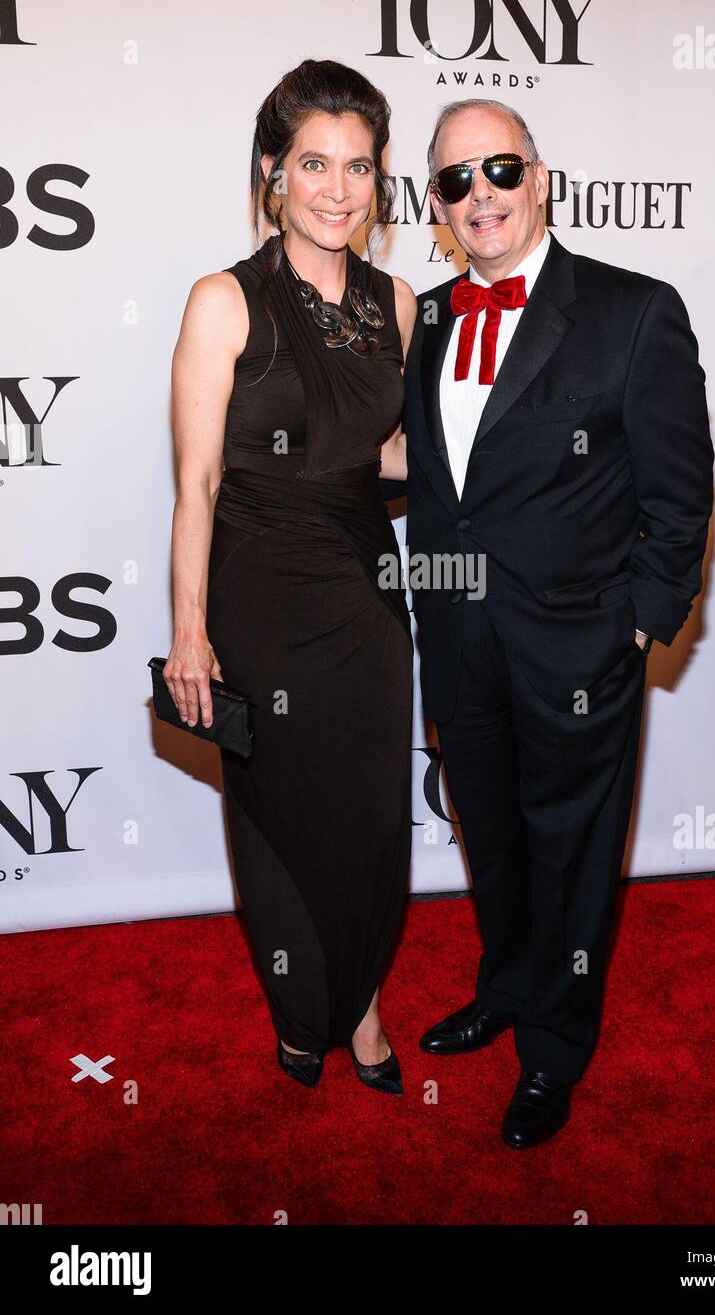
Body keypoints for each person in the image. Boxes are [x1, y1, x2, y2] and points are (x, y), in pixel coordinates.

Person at [404, 98, 714, 1147]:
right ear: (434, 202)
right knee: (488, 836)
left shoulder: (633, 310)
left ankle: (554, 1047)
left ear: (541, 179)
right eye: (454, 179)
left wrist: (638, 623)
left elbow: (678, 494)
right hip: (457, 639)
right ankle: (505, 985)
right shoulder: (431, 317)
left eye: (498, 169)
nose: (478, 194)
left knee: (570, 850)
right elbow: (442, 483)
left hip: (578, 645)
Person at [165, 59, 415, 1094]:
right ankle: (296, 997)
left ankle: (359, 1002)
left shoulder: (396, 300)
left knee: (367, 807)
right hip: (258, 589)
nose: (337, 189)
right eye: (314, 162)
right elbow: (198, 478)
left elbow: (384, 455)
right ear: (273, 170)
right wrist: (189, 628)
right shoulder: (225, 300)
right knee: (277, 810)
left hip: (364, 588)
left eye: (358, 166)